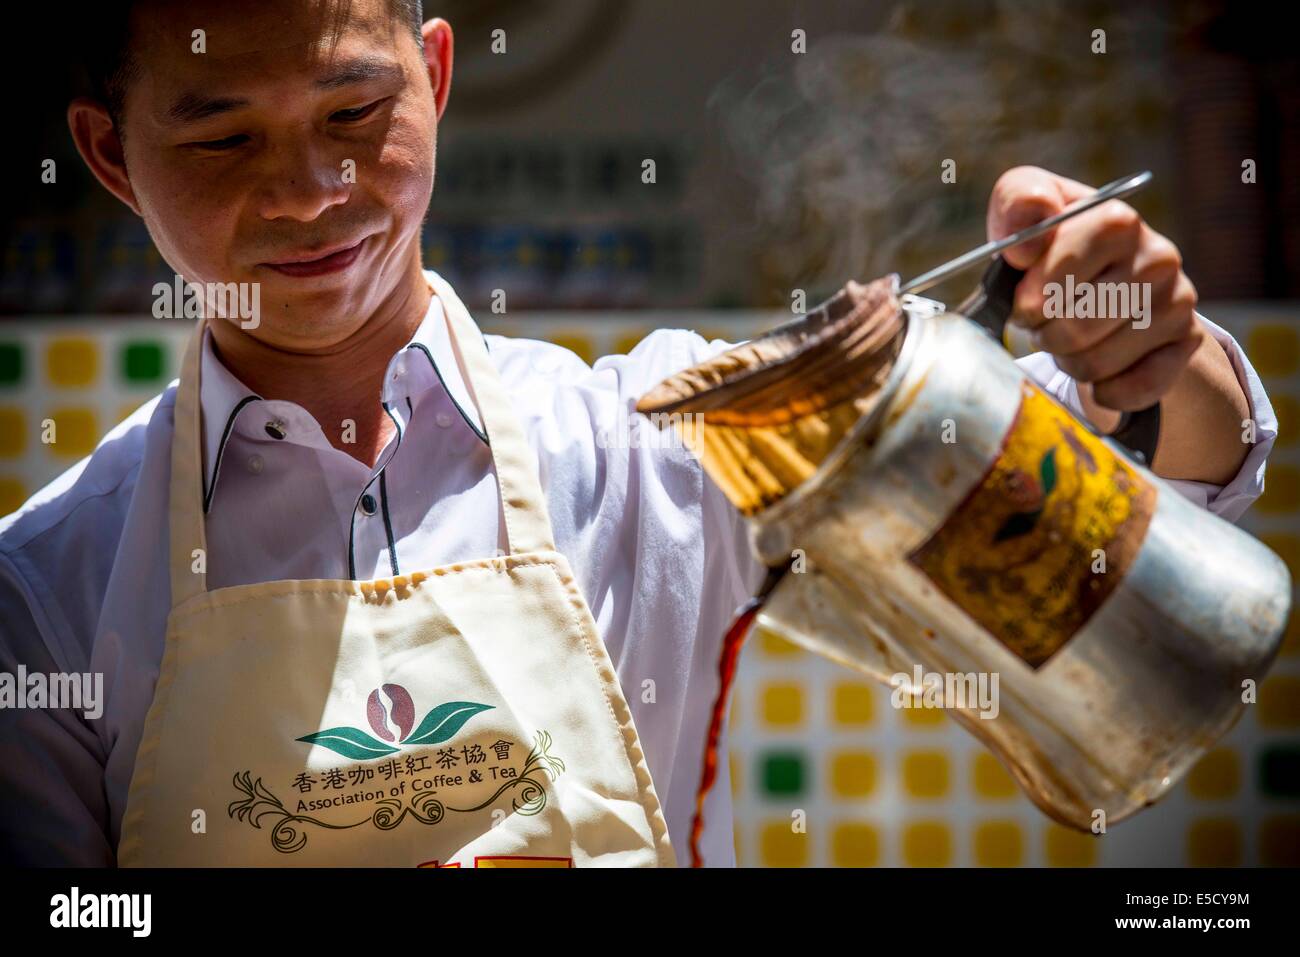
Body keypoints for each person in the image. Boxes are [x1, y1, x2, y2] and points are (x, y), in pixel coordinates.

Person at [0, 0, 1276, 866]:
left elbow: (1127, 535)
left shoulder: (662, 441)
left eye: (353, 114)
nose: (310, 191)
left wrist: (1145, 360)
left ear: (436, 79)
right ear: (112, 157)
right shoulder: (45, 588)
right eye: (222, 133)